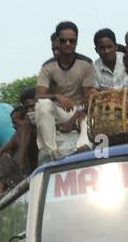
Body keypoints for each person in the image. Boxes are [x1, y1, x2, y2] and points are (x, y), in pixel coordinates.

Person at [32, 21, 96, 163]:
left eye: (72, 40)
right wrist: (55, 95)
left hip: (79, 110)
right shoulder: (48, 66)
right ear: (57, 42)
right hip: (59, 110)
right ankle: (51, 151)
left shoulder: (86, 64)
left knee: (91, 116)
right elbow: (38, 95)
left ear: (76, 42)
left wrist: (75, 118)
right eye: (63, 40)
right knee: (42, 104)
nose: (68, 43)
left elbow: (87, 98)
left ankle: (82, 148)